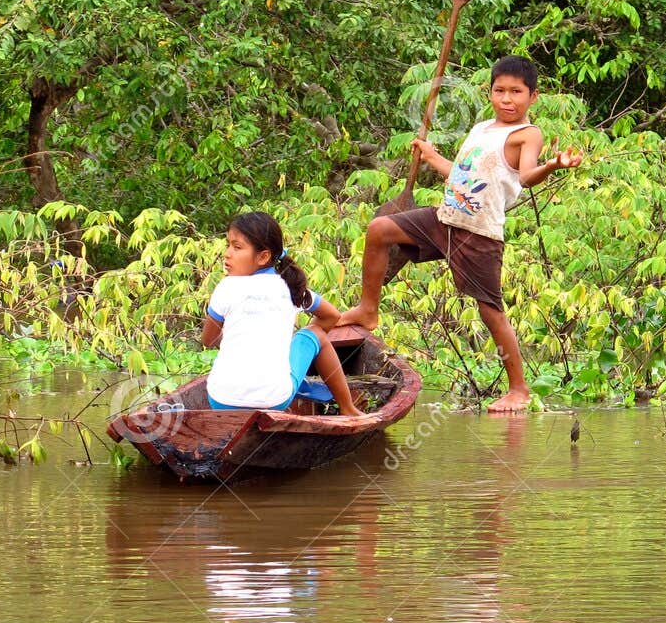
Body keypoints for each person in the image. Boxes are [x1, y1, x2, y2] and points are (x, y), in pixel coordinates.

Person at [338, 55, 583, 414]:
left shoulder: (527, 134)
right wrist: (432, 156)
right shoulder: (483, 128)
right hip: (444, 219)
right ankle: (368, 309)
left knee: (490, 311)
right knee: (379, 229)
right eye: (500, 91)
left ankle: (519, 389)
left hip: (479, 233)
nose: (507, 99)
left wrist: (552, 165)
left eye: (516, 92)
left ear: (534, 97)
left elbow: (527, 176)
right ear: (490, 93)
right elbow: (462, 174)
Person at [202, 211, 365, 417]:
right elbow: (331, 316)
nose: (227, 253)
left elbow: (208, 340)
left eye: (237, 247)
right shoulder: (291, 287)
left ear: (263, 256)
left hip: (221, 400)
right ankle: (348, 408)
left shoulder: (226, 286)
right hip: (274, 400)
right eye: (228, 245)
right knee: (316, 334)